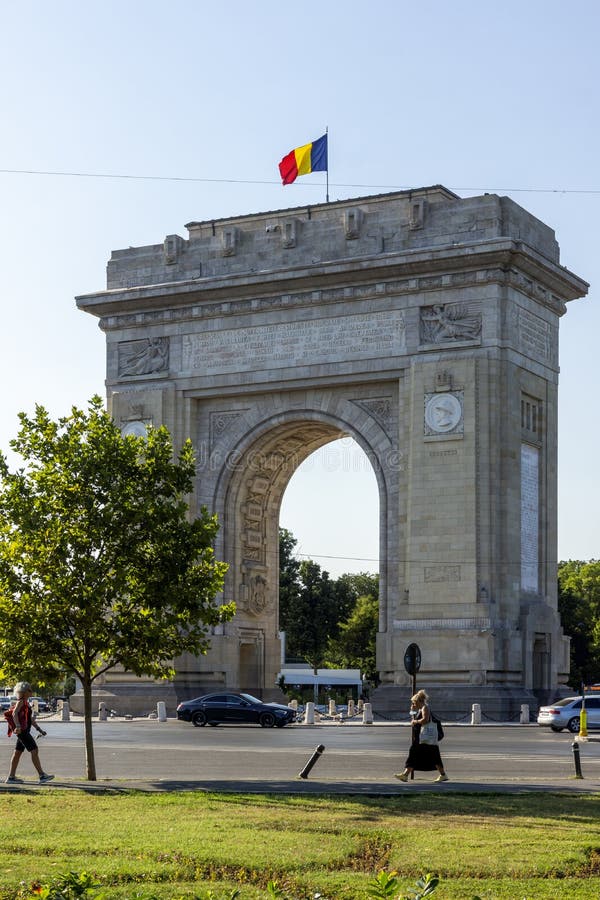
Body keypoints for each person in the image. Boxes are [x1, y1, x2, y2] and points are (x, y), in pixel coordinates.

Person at [5, 682, 54, 784]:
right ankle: (42, 775)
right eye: (29, 690)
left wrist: (39, 730)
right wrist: (18, 726)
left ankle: (11, 777)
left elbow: (30, 720)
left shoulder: (26, 703)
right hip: (22, 732)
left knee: (17, 753)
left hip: (23, 731)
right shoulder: (21, 702)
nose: (31, 692)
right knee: (34, 750)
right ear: (23, 692)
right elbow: (14, 713)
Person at [395, 689, 448, 783]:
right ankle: (443, 775)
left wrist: (415, 721)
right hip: (424, 738)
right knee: (432, 756)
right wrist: (412, 711)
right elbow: (414, 718)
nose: (414, 704)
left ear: (419, 701)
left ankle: (405, 775)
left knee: (415, 753)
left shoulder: (425, 708)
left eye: (414, 703)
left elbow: (425, 720)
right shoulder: (421, 708)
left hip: (424, 738)